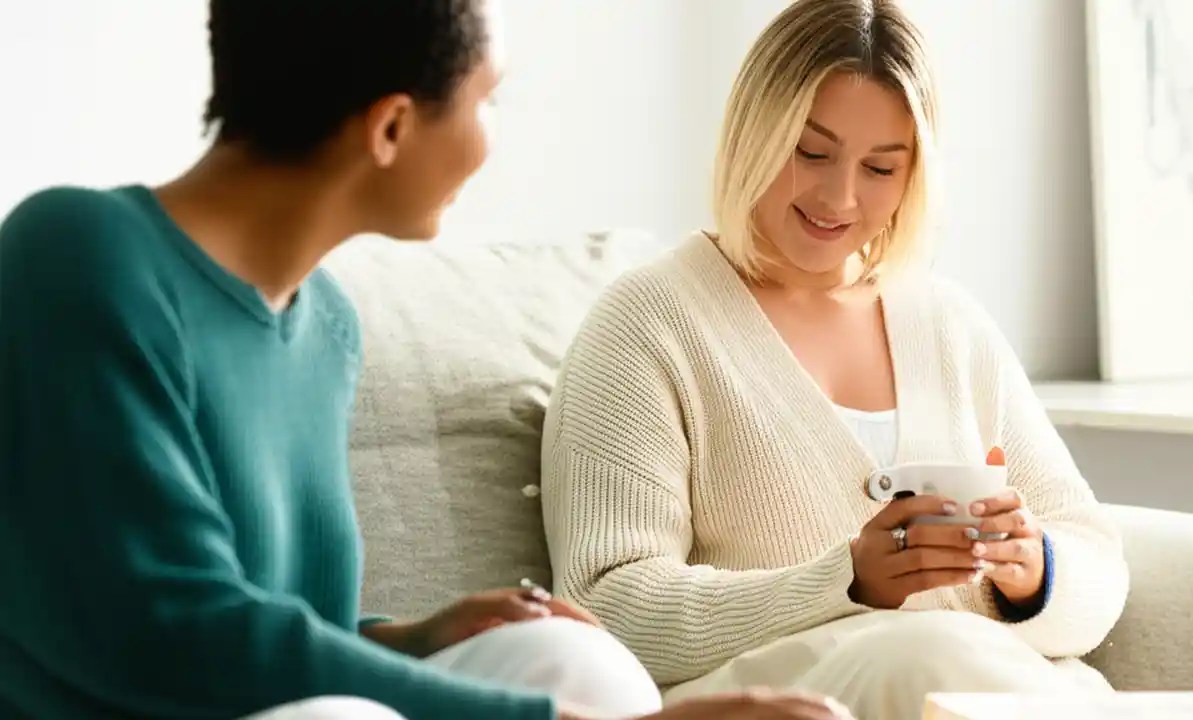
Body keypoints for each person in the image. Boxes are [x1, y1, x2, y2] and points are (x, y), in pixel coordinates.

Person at [0, 2, 856, 719]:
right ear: (392, 126)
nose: (491, 141)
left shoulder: (324, 326)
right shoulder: (79, 257)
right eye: (489, 100)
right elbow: (168, 627)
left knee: (564, 656)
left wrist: (410, 637)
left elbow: (285, 617)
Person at [540, 0, 1131, 717]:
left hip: (987, 686)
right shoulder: (646, 324)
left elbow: (1097, 560)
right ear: (753, 130)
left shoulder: (949, 323)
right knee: (928, 655)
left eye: (881, 168)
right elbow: (607, 603)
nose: (839, 196)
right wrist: (842, 581)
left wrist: (1033, 569)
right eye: (811, 153)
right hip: (776, 697)